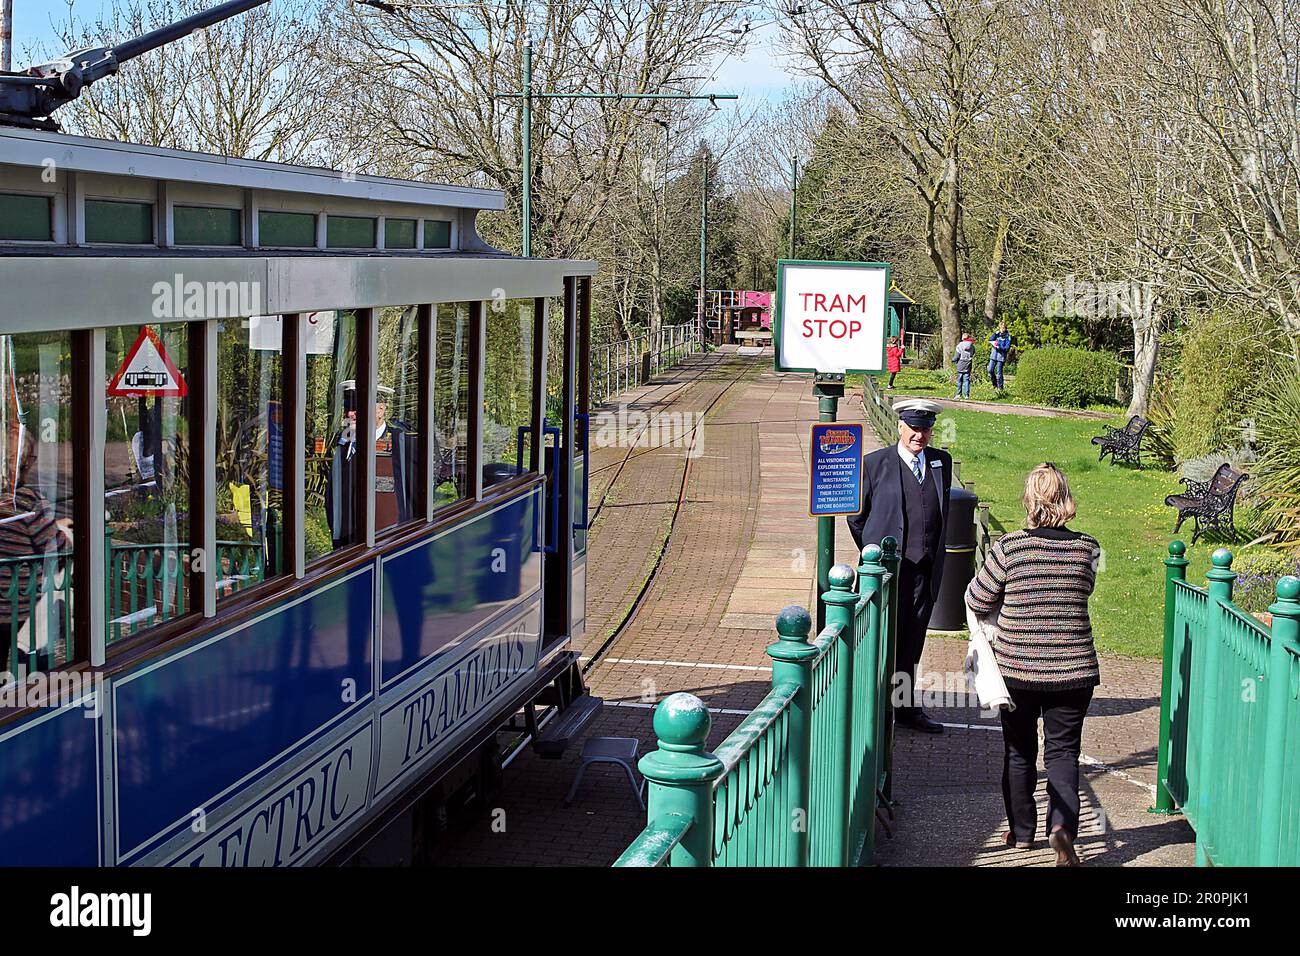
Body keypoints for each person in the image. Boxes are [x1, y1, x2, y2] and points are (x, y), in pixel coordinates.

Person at [964, 463, 1100, 866]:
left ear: (1029, 500)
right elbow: (1085, 589)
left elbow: (977, 598)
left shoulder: (1009, 548)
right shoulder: (1087, 548)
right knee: (1062, 753)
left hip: (1018, 669)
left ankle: (1021, 833)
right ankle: (1061, 829)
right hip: (1074, 669)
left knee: (1019, 750)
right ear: (1066, 500)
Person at [848, 398, 952, 734]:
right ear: (900, 426)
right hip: (888, 573)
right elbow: (856, 517)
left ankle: (905, 708)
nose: (919, 435)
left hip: (925, 571)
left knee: (912, 641)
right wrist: (873, 553)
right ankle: (872, 707)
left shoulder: (941, 462)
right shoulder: (874, 464)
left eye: (925, 428)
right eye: (914, 427)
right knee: (879, 639)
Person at [988, 322, 1012, 390]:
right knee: (990, 370)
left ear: (1005, 328)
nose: (1002, 329)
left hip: (1001, 357)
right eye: (1001, 327)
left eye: (1003, 328)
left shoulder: (1008, 336)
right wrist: (995, 334)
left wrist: (1000, 347)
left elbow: (1007, 347)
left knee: (999, 373)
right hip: (993, 356)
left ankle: (1000, 387)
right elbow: (990, 340)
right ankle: (994, 384)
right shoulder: (997, 334)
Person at [953, 333, 975, 399]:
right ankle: (966, 395)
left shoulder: (960, 345)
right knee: (966, 380)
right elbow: (973, 352)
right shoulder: (972, 345)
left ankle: (958, 394)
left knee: (959, 380)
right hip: (968, 363)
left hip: (961, 363)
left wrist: (953, 360)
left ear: (963, 338)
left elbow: (957, 356)